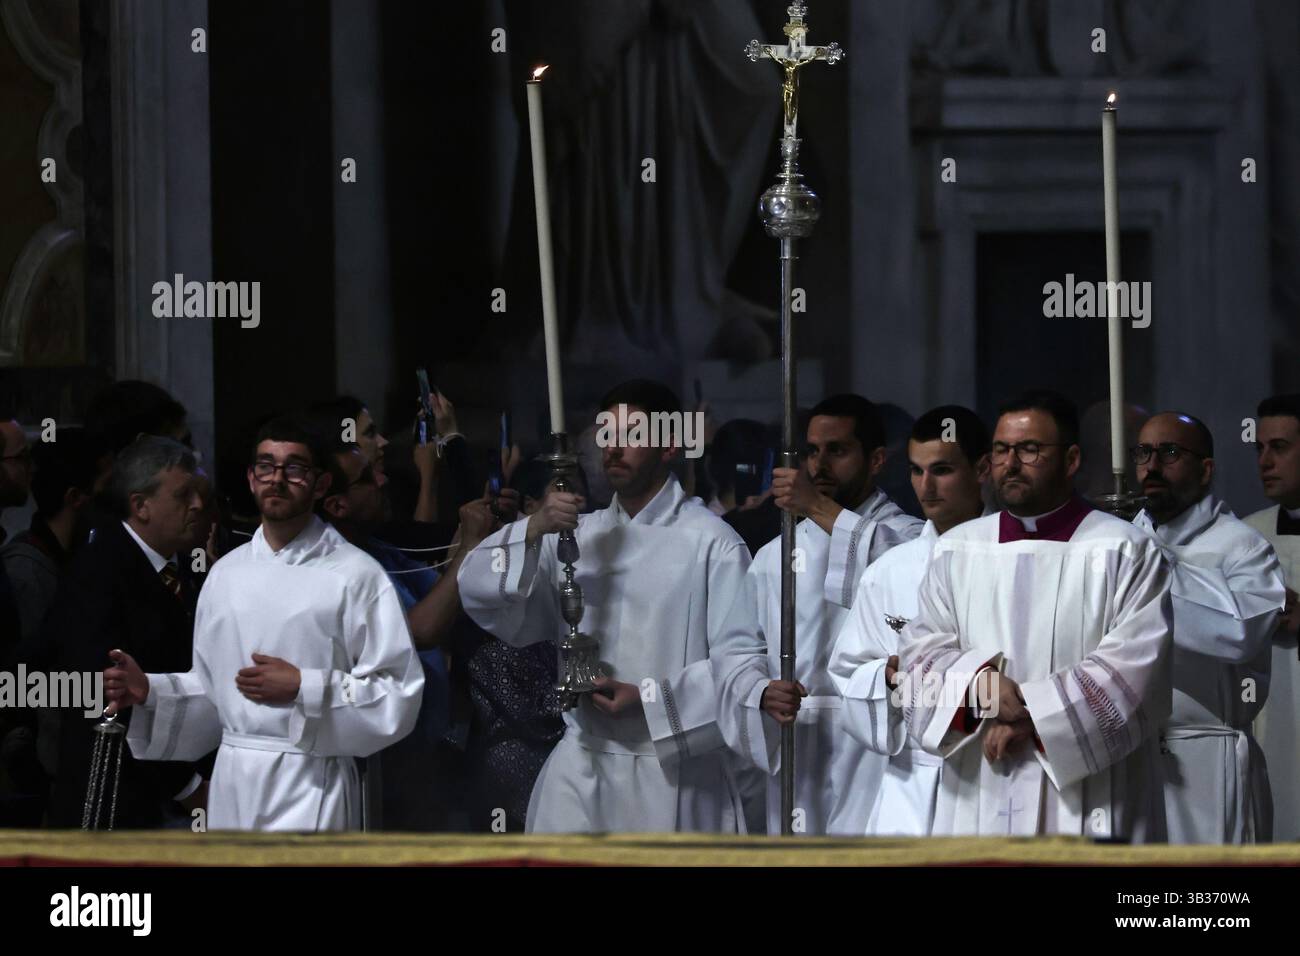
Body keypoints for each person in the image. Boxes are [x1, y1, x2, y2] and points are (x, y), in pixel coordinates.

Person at [457, 380, 752, 832]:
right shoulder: (578, 535)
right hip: (582, 765)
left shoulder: (714, 543)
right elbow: (481, 592)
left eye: (632, 434)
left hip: (673, 770)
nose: (613, 448)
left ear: (671, 445)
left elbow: (741, 670)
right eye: (607, 434)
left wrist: (649, 700)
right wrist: (533, 528)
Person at [103, 418, 423, 831]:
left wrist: (303, 686)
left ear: (321, 484)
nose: (278, 480)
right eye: (266, 467)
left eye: (294, 469)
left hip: (312, 783)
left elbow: (399, 692)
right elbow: (214, 690)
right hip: (235, 781)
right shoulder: (225, 575)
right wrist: (153, 691)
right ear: (251, 479)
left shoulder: (356, 575)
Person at [899, 390, 1173, 839]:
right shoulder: (958, 548)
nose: (1010, 463)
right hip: (979, 775)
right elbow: (921, 652)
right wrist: (981, 688)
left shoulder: (1123, 548)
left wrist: (1034, 716)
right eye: (1002, 450)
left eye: (1029, 450)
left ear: (1071, 459)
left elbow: (1137, 665)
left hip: (1089, 788)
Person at [716, 394, 924, 834]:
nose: (819, 465)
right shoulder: (776, 557)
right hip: (799, 741)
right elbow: (737, 647)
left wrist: (815, 506)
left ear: (876, 460)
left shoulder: (909, 538)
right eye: (811, 451)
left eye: (837, 450)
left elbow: (903, 574)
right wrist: (759, 690)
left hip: (879, 744)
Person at [827, 405, 990, 835]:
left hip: (994, 770)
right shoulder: (891, 570)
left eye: (942, 470)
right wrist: (885, 677)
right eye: (917, 471)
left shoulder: (1014, 560)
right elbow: (847, 670)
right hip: (911, 780)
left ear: (983, 469)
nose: (926, 487)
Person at [1130, 412, 1283, 843]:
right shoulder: (1123, 542)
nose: (1152, 467)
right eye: (1143, 453)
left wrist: (1151, 564)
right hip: (1134, 756)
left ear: (1206, 469)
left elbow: (1240, 636)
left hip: (1208, 759)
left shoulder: (1243, 546)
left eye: (1170, 453)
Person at [42, 437, 208, 828]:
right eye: (184, 495)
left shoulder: (181, 564)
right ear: (141, 505)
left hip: (168, 783)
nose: (198, 505)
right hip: (121, 799)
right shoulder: (100, 571)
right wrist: (190, 788)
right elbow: (104, 693)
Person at [1244, 393, 1300, 840]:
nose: (1264, 460)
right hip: (1268, 721)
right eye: (1259, 448)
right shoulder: (1246, 537)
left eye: (1279, 447)